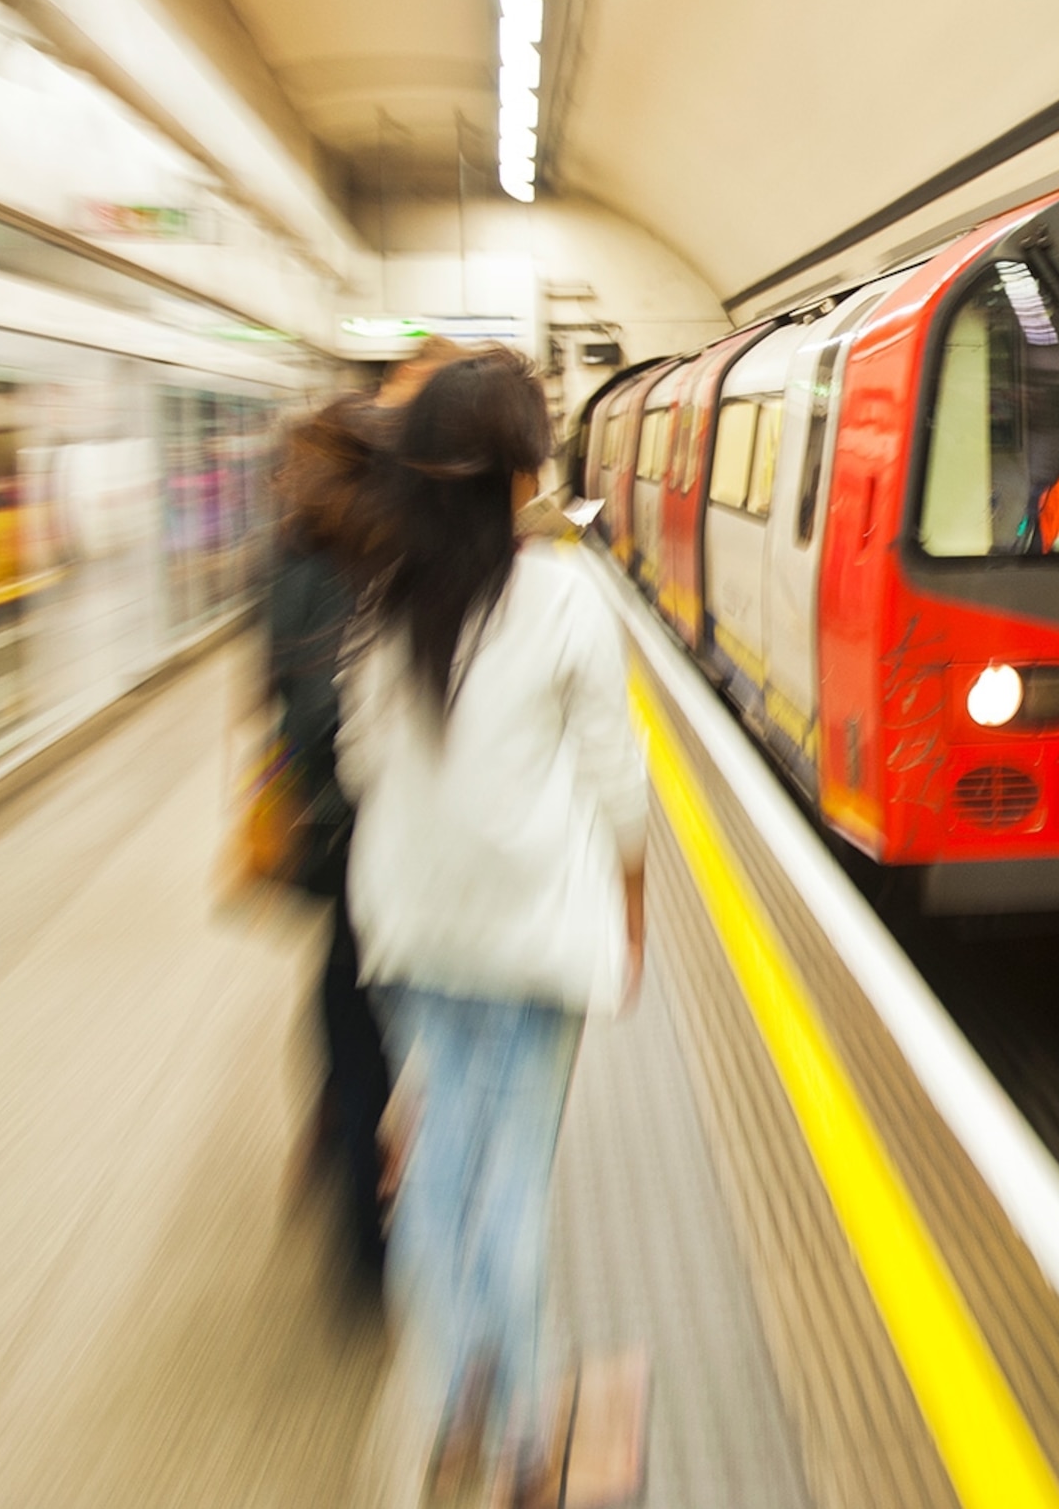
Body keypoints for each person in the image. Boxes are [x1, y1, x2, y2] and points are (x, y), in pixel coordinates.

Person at [332, 350, 648, 1505]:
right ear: (517, 473)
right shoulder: (563, 596)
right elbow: (619, 777)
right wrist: (632, 904)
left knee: (438, 1171)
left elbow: (361, 765)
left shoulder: (383, 602)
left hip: (415, 933)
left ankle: (449, 1399)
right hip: (526, 935)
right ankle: (522, 1436)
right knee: (509, 1181)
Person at [268, 342, 466, 1290]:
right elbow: (351, 714)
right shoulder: (383, 554)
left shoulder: (286, 552)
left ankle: (359, 1236)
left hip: (324, 833)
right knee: (397, 1026)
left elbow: (282, 696)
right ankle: (393, 1223)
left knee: (347, 1020)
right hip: (378, 830)